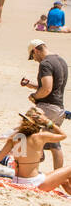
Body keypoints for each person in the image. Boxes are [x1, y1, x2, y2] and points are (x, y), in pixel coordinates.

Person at [0, 109, 71, 194]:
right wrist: (48, 122)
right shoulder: (40, 137)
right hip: (35, 182)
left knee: (65, 180)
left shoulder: (14, 137)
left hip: (17, 180)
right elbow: (63, 135)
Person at [22, 40, 66, 170]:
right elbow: (53, 87)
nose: (35, 59)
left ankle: (31, 169)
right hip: (59, 108)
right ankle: (57, 175)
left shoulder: (45, 63)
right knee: (55, 145)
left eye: (33, 56)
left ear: (35, 50)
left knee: (28, 135)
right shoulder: (61, 61)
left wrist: (34, 96)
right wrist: (30, 85)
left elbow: (46, 89)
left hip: (46, 108)